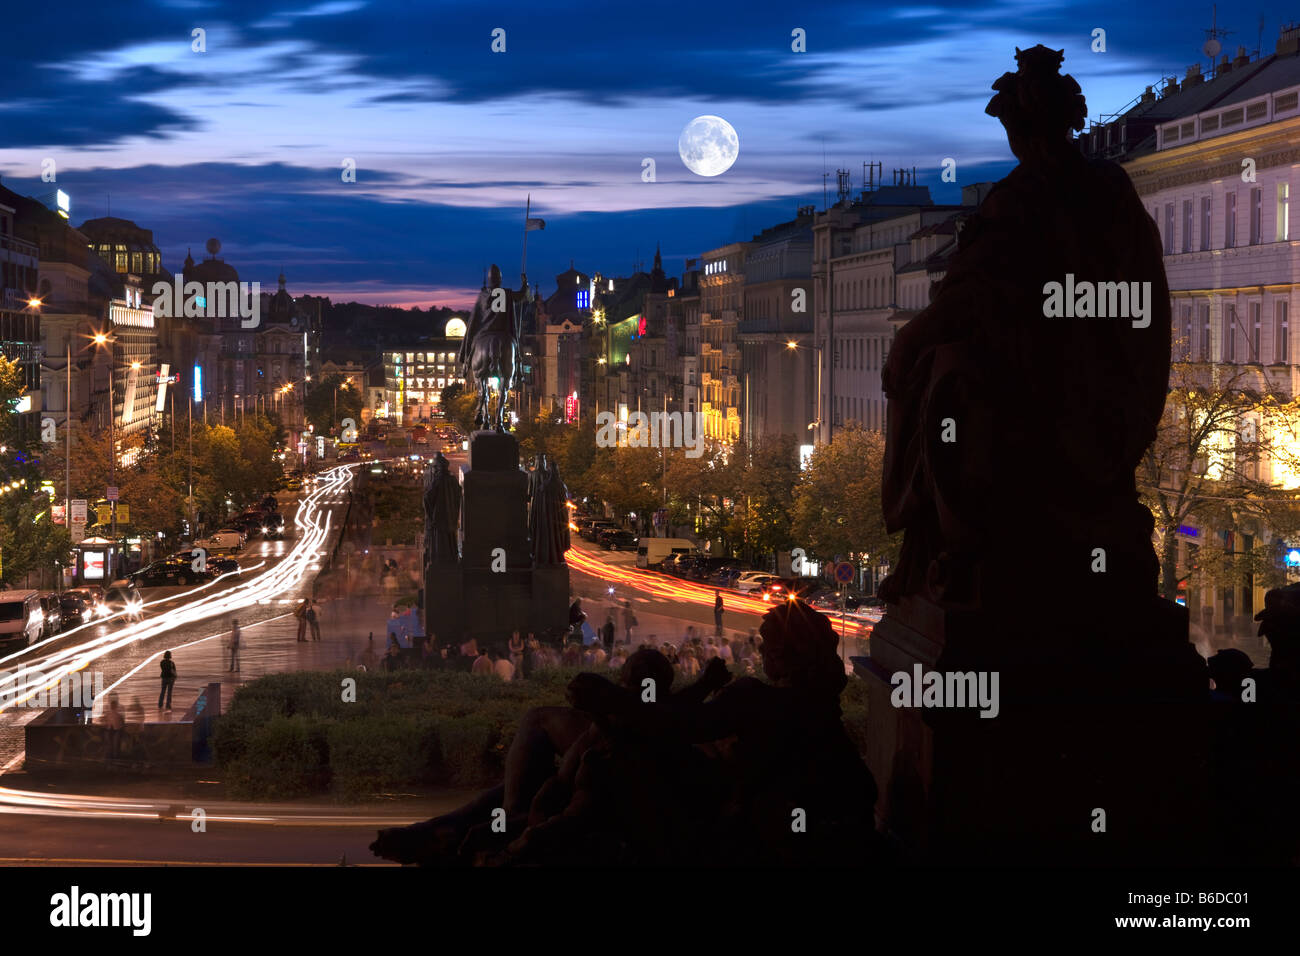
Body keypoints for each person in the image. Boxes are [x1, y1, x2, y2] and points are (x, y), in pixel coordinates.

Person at [102, 693, 125, 761]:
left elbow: (122, 719)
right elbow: (105, 719)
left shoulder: (120, 709)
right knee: (110, 744)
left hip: (117, 729)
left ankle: (115, 757)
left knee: (115, 744)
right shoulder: (108, 710)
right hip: (110, 729)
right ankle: (112, 756)